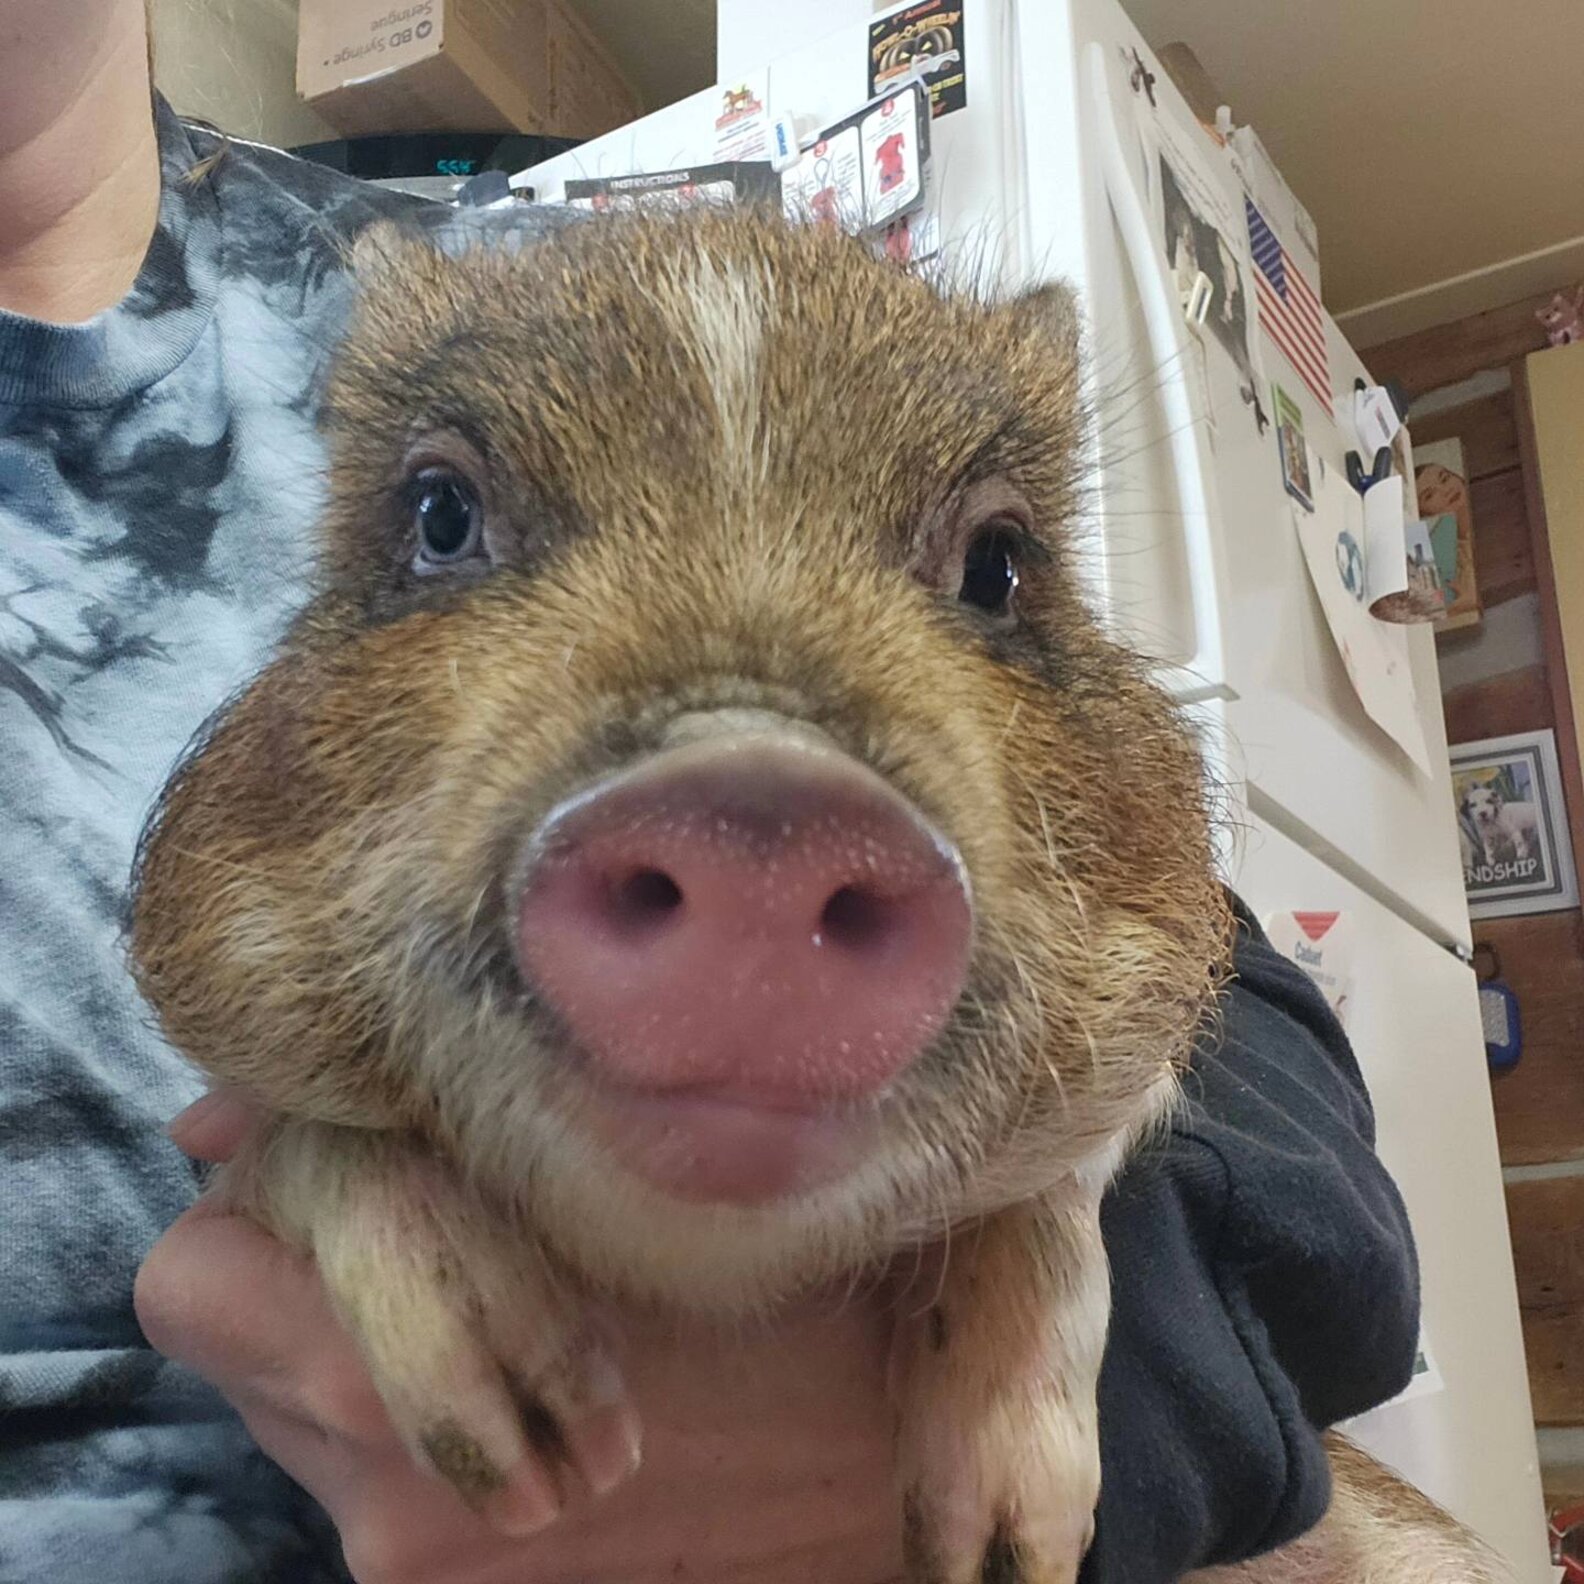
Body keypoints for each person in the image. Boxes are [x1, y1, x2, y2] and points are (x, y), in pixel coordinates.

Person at [0, 4, 1420, 1580]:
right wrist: (335, 1169)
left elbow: (1242, 1042)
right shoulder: (427, 349)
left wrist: (1089, 1344)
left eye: (991, 571)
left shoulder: (447, 251)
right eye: (456, 532)